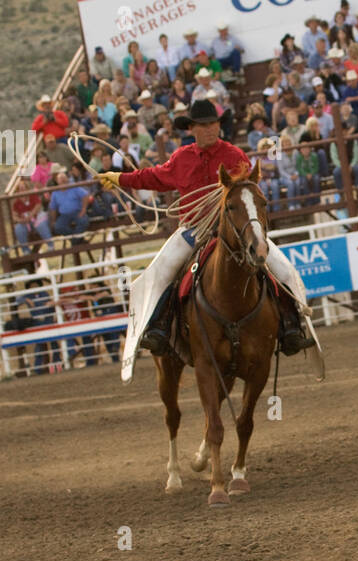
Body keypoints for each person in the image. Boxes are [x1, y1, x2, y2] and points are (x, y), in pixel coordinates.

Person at [96, 99, 315, 383]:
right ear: (192, 129)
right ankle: (158, 329)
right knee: (161, 271)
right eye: (203, 125)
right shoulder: (181, 158)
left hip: (234, 231)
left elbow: (247, 192)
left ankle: (291, 327)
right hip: (194, 229)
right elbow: (154, 177)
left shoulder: (235, 155)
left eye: (213, 124)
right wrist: (120, 178)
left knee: (282, 268)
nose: (210, 129)